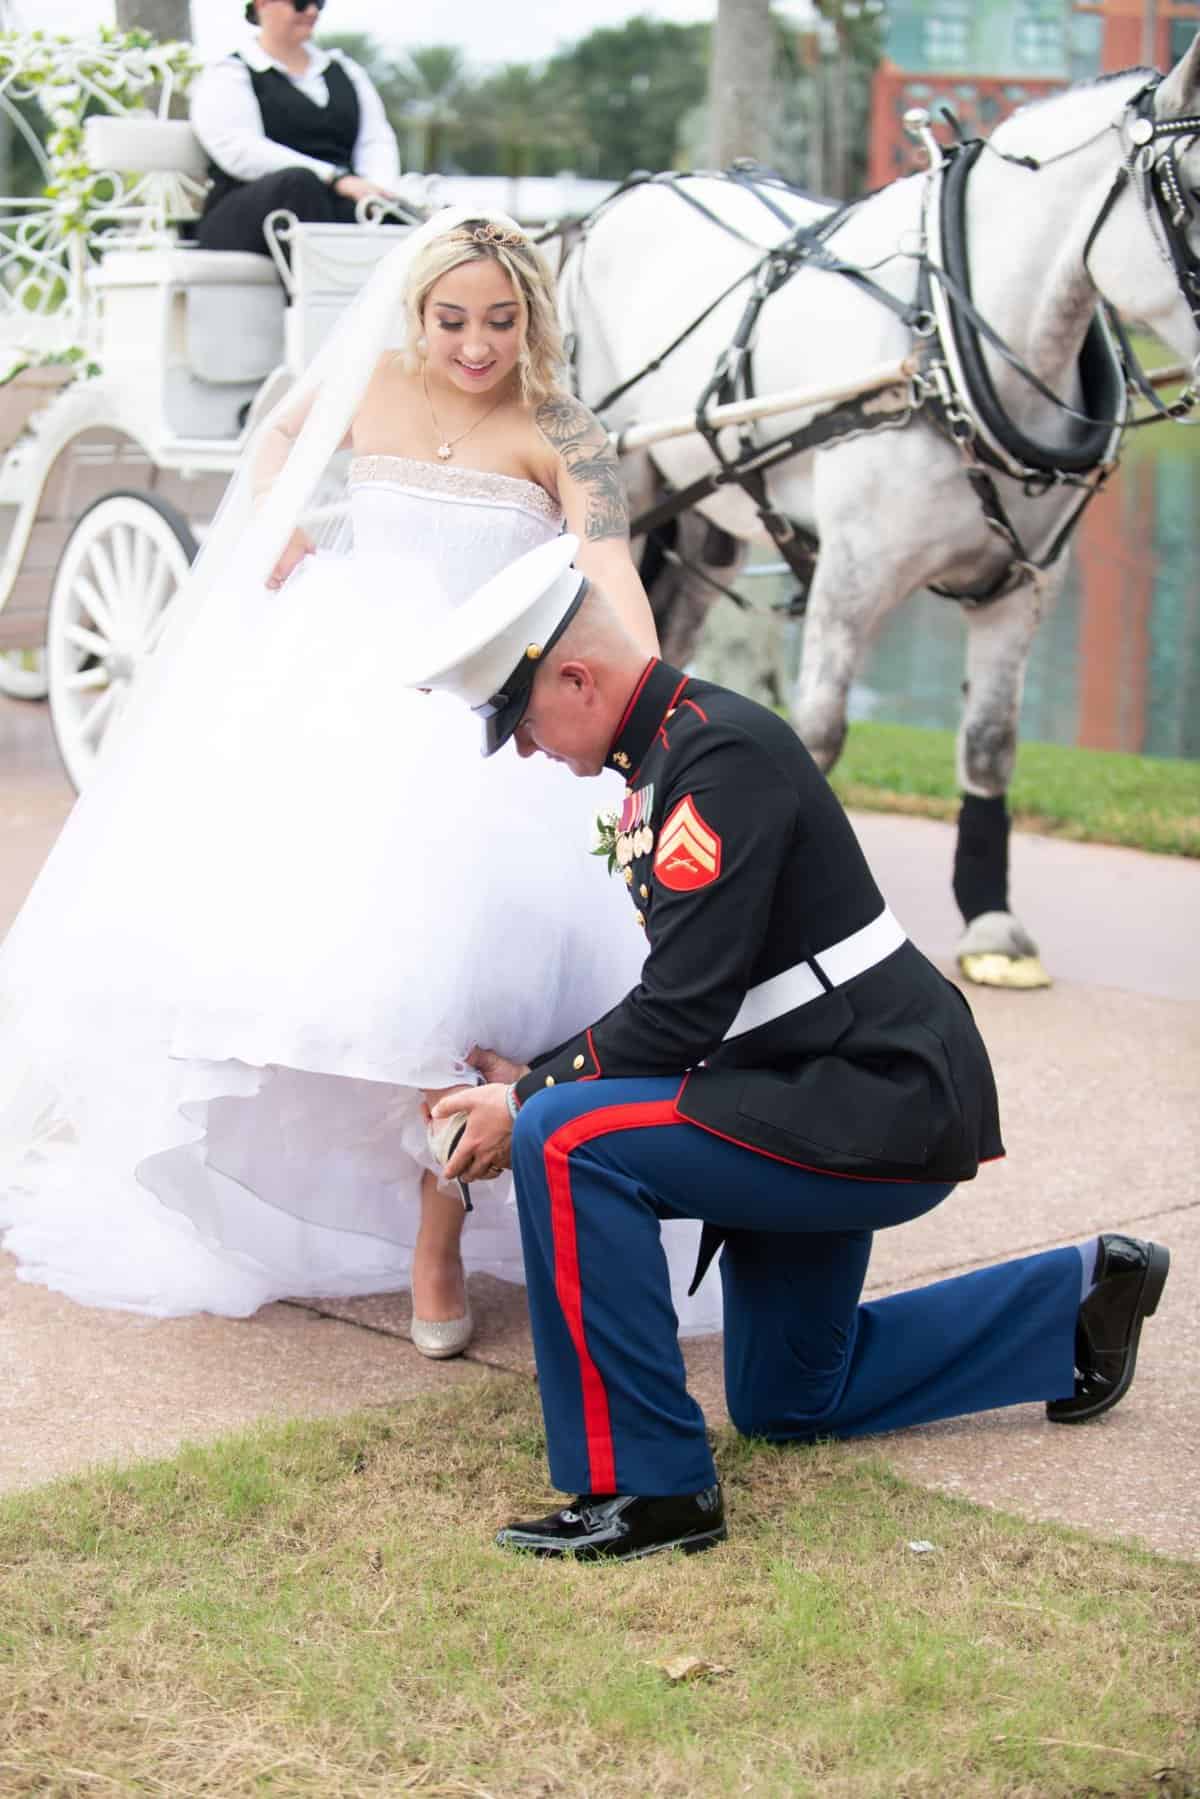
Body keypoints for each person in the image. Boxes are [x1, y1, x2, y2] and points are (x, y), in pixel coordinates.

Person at [0, 208, 722, 1351]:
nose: (475, 345)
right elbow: (282, 434)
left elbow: (605, 560)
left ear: (532, 317)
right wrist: (278, 524)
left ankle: (439, 1237)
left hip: (483, 718)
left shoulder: (564, 428)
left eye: (501, 320)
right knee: (306, 966)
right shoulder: (376, 381)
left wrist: (651, 690)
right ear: (417, 312)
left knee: (465, 984)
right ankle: (280, 1188)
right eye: (452, 319)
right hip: (344, 695)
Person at [408, 538, 1172, 1561]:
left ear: (578, 678)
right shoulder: (676, 750)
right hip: (813, 1084)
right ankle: (1073, 1305)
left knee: (564, 1137)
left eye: (525, 721)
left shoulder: (715, 759)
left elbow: (680, 1014)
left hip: (870, 1093)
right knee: (789, 1396)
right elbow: (704, 992)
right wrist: (535, 1070)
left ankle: (652, 1488)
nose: (527, 750)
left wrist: (528, 1097)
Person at [190, 1, 420, 260]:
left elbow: (375, 141)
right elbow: (240, 151)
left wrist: (375, 193)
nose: (311, 11)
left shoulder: (346, 71)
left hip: (333, 203)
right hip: (245, 214)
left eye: (318, 2)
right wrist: (335, 178)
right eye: (300, 2)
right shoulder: (228, 73)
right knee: (299, 184)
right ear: (262, 4)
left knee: (398, 213)